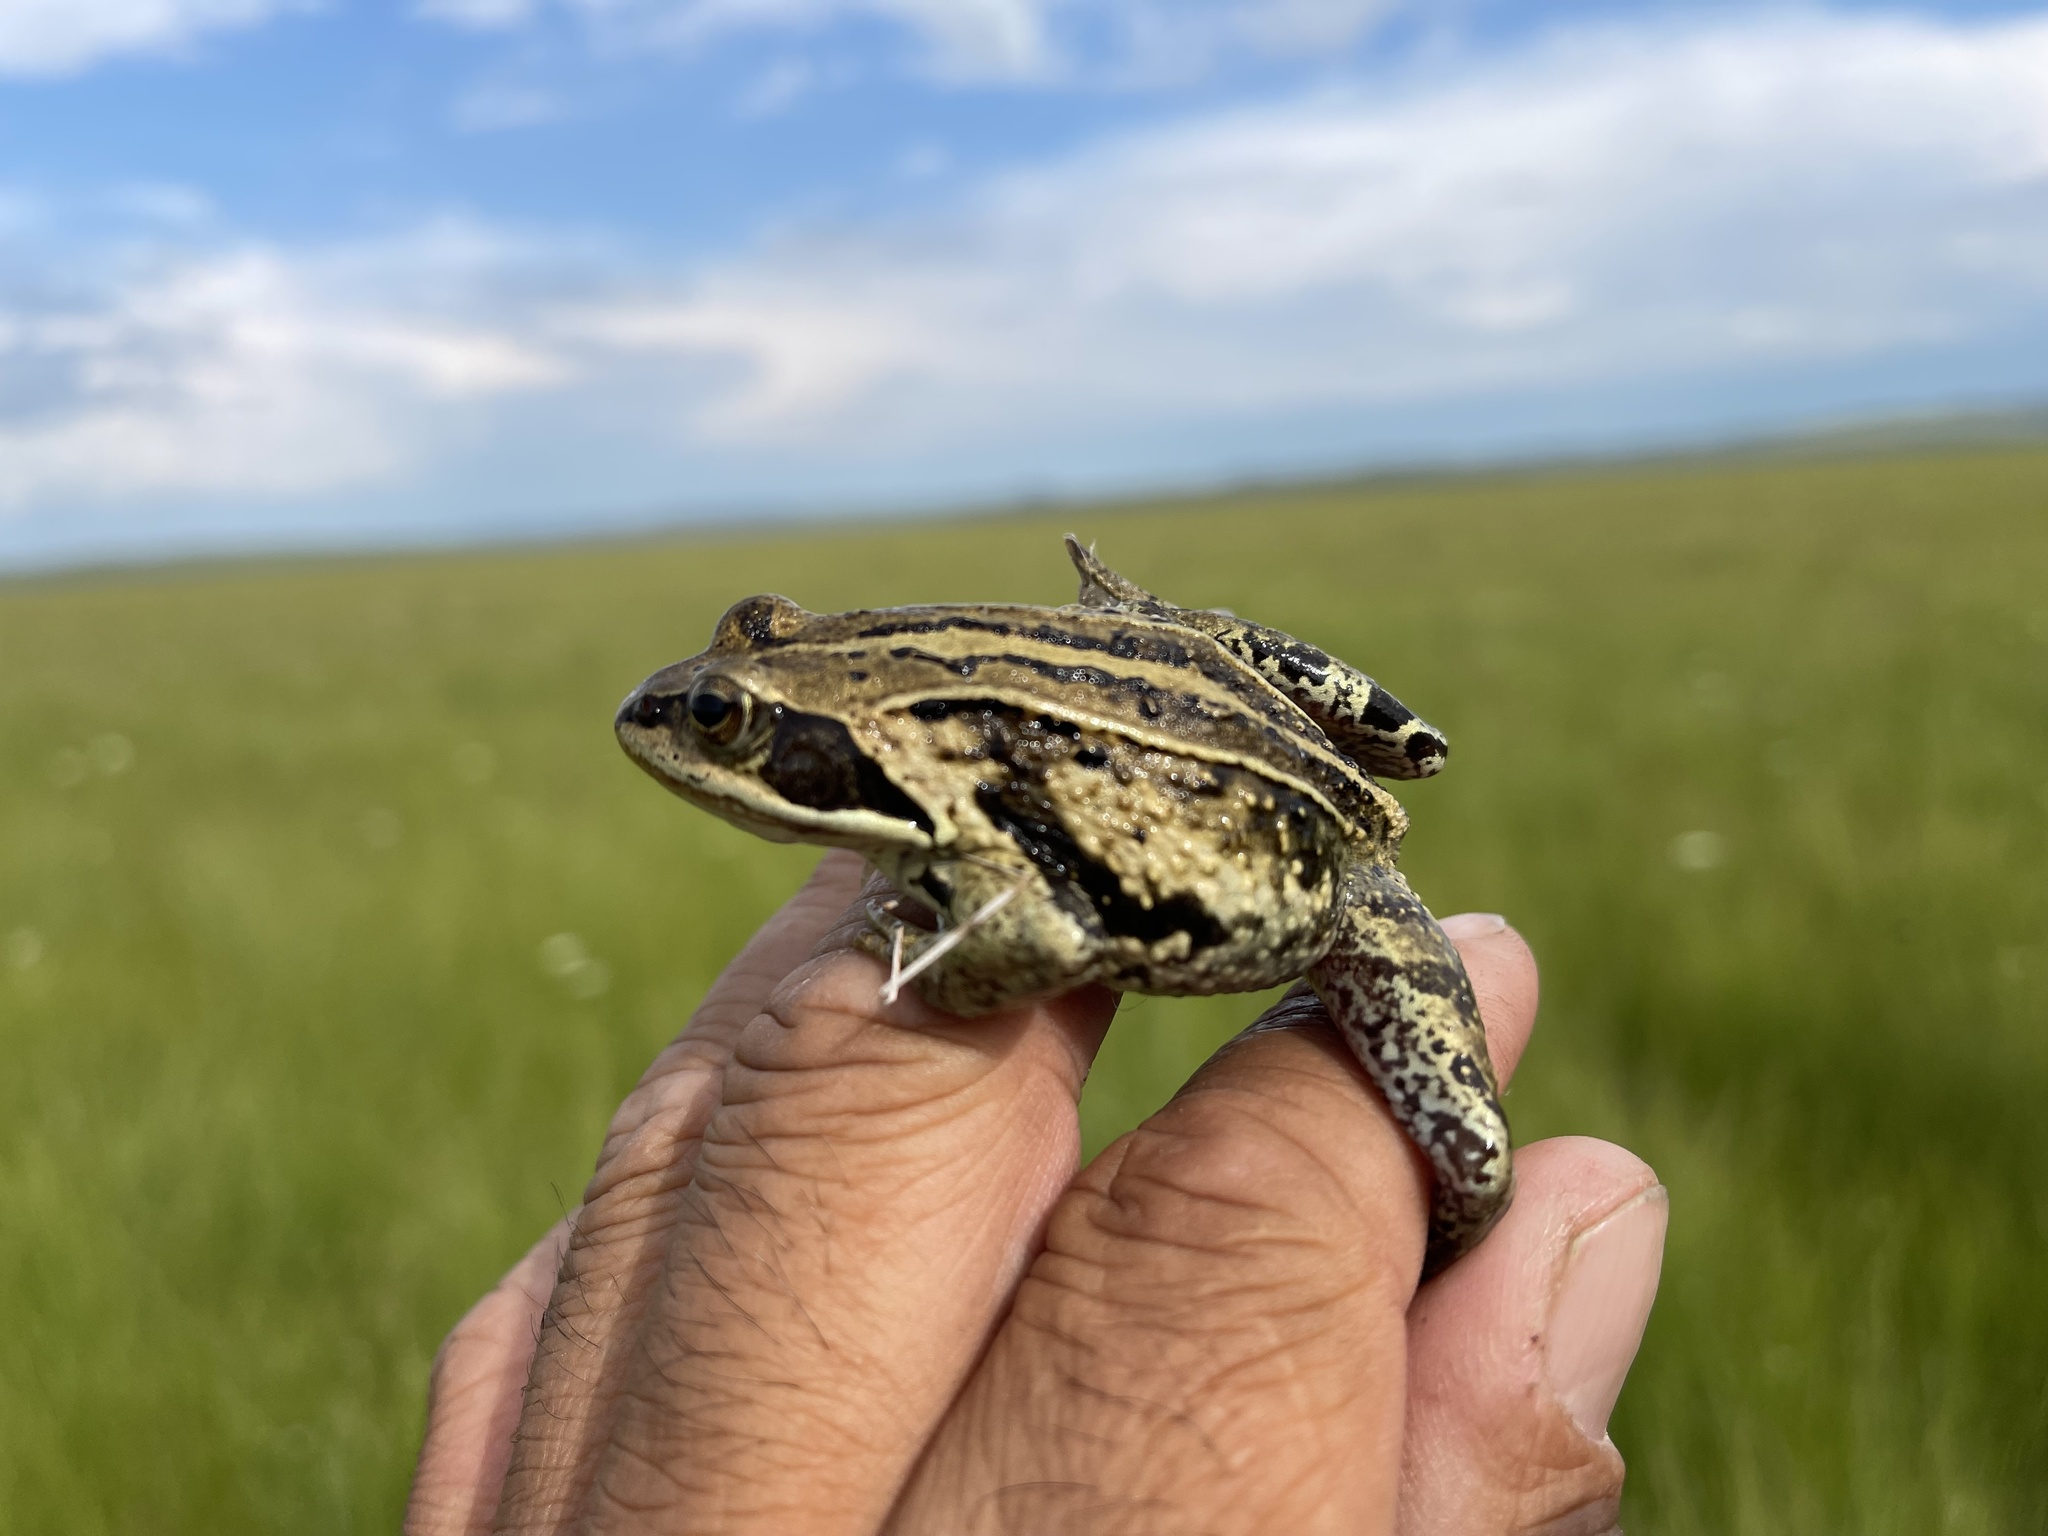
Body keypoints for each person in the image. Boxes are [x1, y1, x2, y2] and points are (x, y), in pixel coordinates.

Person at [406, 851, 1666, 1535]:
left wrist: (927, 957)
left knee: (1465, 1163)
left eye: (733, 722)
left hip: (1282, 869)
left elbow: (1053, 936)